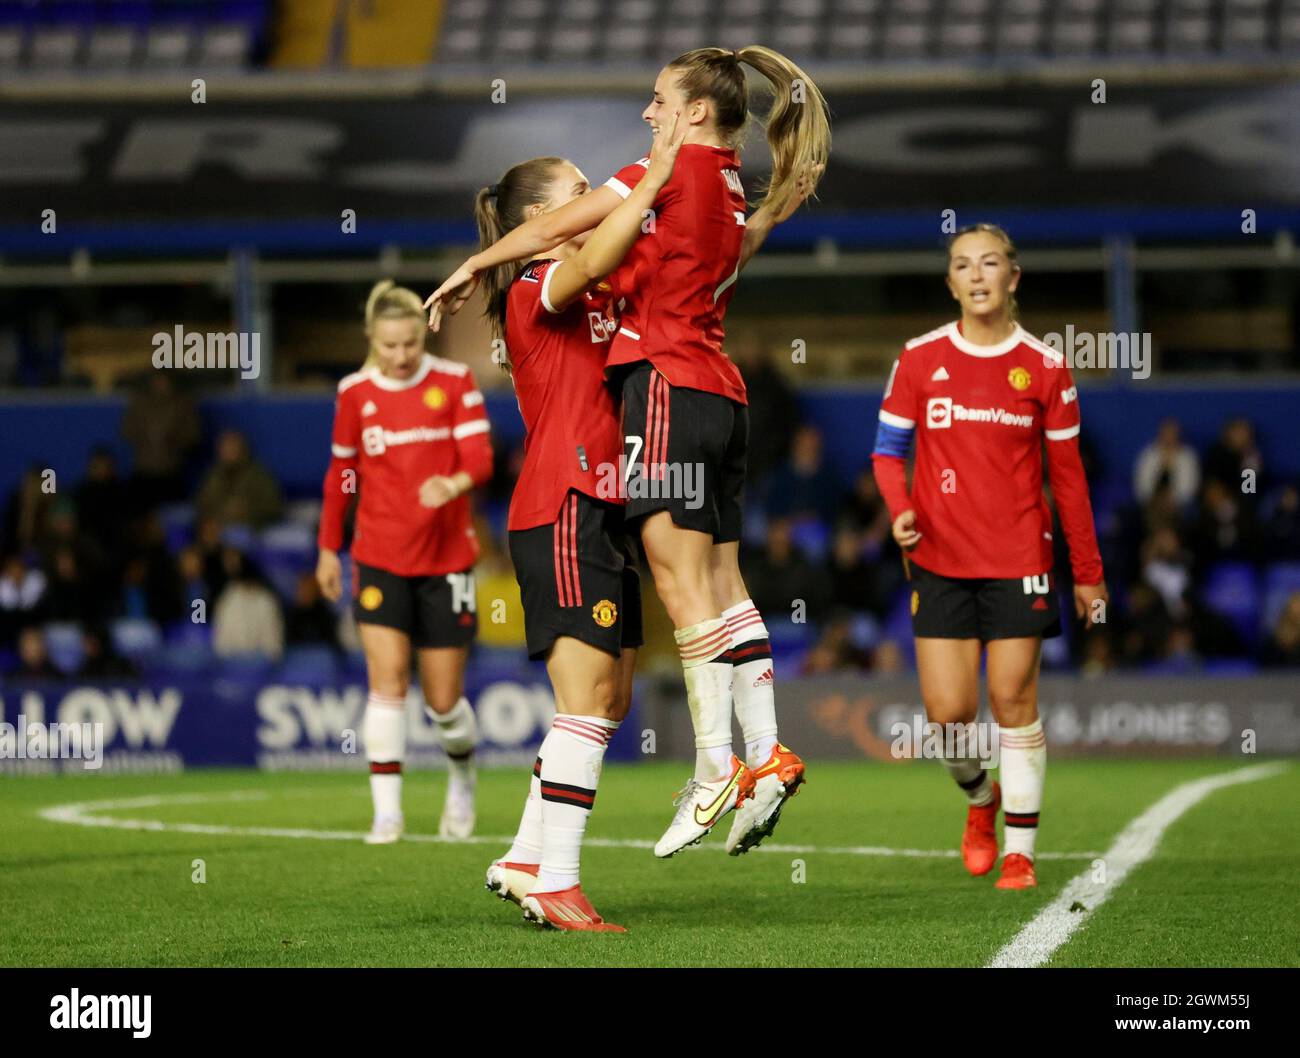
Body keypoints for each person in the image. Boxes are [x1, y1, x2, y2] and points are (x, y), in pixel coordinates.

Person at [426, 45, 830, 859]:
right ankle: (761, 753)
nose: (647, 115)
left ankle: (717, 767)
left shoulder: (659, 182)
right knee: (715, 589)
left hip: (668, 393)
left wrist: (484, 256)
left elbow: (573, 236)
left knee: (686, 595)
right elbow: (593, 250)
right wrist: (773, 203)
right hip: (710, 399)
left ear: (690, 113)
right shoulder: (696, 194)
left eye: (657, 100)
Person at [477, 112, 684, 931]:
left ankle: (527, 856)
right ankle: (555, 877)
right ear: (540, 222)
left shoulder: (600, 286)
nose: (596, 200)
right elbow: (598, 247)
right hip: (561, 505)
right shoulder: (535, 287)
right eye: (578, 193)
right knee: (588, 696)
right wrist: (653, 175)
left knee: (613, 697)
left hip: (606, 507)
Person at [871, 223, 1108, 890]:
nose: (977, 275)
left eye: (991, 263)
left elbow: (1068, 480)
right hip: (940, 560)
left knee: (1012, 700)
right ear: (950, 283)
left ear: (1013, 277)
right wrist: (902, 511)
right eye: (963, 265)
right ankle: (981, 800)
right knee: (948, 718)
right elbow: (887, 455)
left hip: (1019, 558)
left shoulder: (1047, 366)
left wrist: (1087, 574)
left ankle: (1021, 854)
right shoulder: (918, 359)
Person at [316, 281, 493, 844]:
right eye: (389, 345)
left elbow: (481, 458)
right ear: (372, 339)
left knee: (444, 702)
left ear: (423, 336)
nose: (400, 355)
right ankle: (387, 813)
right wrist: (327, 548)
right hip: (379, 558)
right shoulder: (353, 394)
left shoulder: (454, 381)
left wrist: (455, 482)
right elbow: (340, 478)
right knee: (386, 683)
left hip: (446, 561)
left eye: (410, 344)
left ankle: (462, 778)